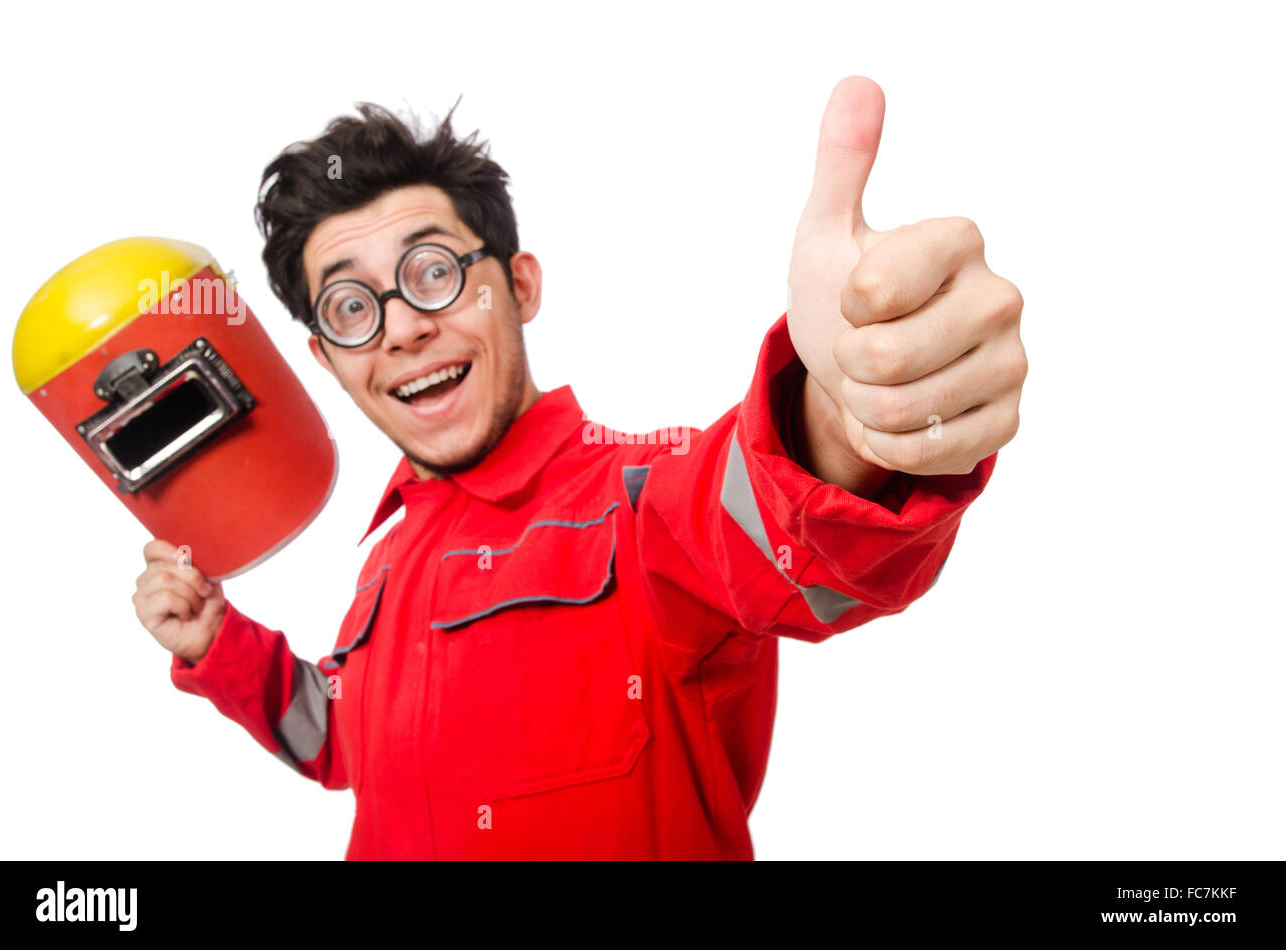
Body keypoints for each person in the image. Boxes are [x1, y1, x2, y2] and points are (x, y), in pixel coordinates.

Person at [132, 76, 1027, 859]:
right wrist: (221, 645)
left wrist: (850, 412)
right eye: (351, 304)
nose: (401, 327)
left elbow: (782, 518)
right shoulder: (385, 562)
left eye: (433, 272)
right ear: (328, 358)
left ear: (519, 286)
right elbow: (341, 739)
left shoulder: (640, 501)